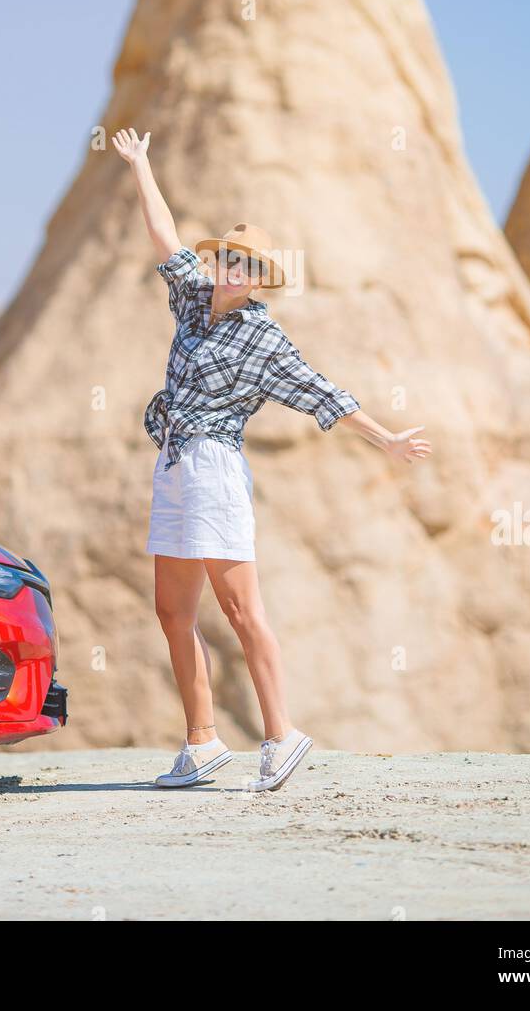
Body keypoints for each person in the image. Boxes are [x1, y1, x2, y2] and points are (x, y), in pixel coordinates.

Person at [111, 126, 432, 793]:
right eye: (229, 257)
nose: (234, 269)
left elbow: (324, 394)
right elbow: (166, 236)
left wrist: (389, 440)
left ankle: (282, 736)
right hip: (172, 464)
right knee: (172, 612)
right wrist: (142, 163)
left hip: (216, 471)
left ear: (259, 278)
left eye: (247, 265)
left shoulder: (265, 338)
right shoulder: (193, 299)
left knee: (240, 611)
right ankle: (201, 743)